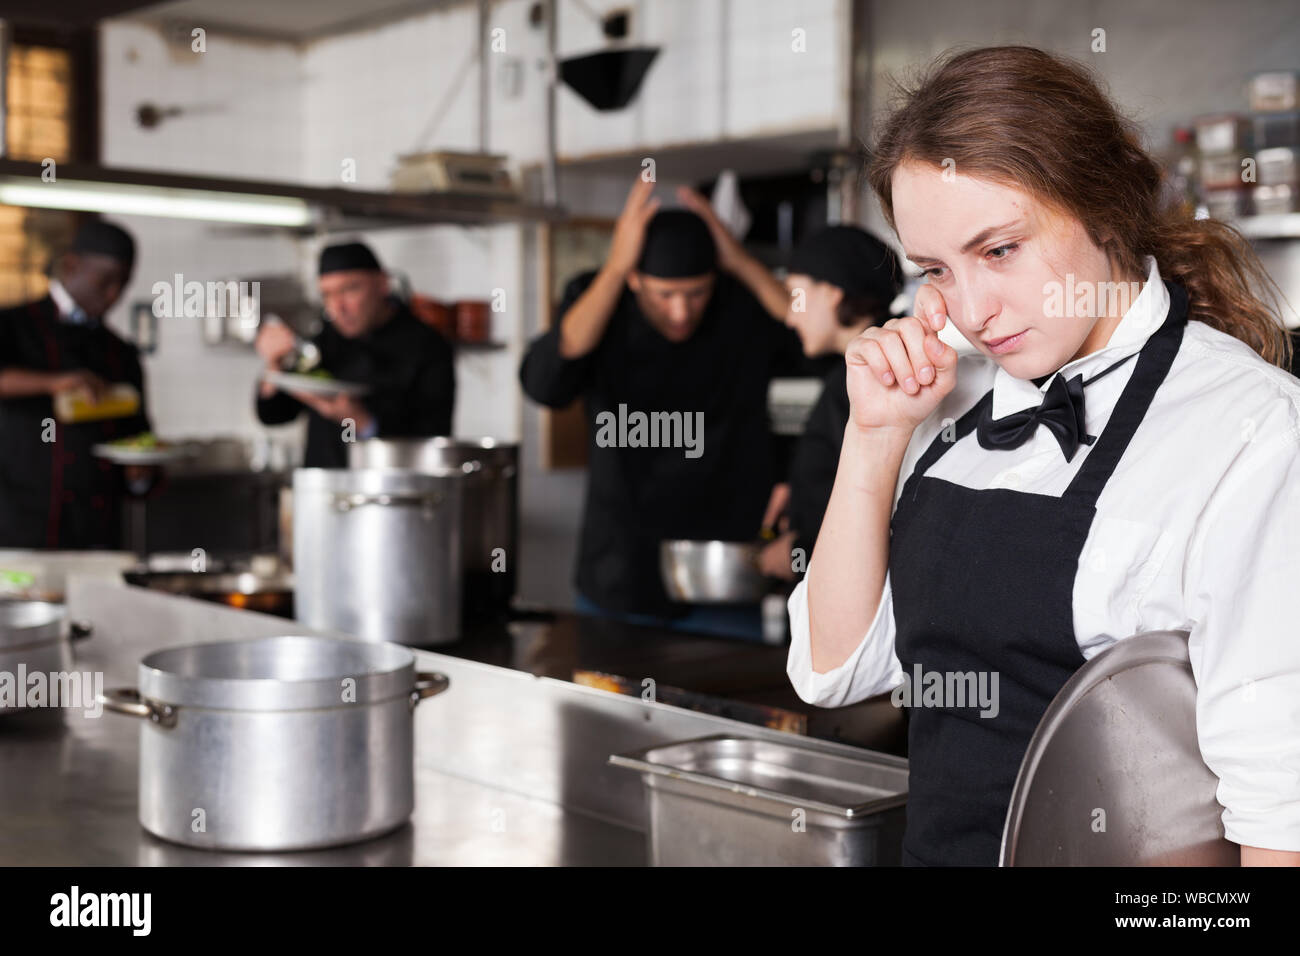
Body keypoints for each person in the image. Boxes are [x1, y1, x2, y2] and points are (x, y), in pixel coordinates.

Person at [788, 46, 1300, 866]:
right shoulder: (945, 405)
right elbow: (833, 671)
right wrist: (875, 435)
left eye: (999, 250)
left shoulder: (1250, 432)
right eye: (937, 271)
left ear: (1103, 206)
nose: (975, 310)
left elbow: (1282, 816)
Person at [519, 177, 803, 639]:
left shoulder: (740, 304)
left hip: (725, 569)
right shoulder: (598, 297)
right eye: (663, 295)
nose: (680, 312)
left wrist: (740, 261)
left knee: (732, 705)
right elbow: (544, 382)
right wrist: (613, 270)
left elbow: (814, 336)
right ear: (634, 279)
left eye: (695, 294)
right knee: (611, 707)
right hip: (620, 565)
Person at [757, 226, 904, 581]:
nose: (790, 316)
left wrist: (798, 552)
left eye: (796, 296)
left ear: (832, 293)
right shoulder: (851, 371)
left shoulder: (874, 376)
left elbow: (879, 506)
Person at [0, 220, 151, 549]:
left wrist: (141, 473)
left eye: (123, 284)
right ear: (72, 265)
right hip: (17, 531)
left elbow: (139, 435)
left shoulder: (121, 353)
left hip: (97, 534)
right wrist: (54, 383)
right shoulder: (12, 325)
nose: (114, 295)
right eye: (105, 281)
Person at [255, 241, 455, 467]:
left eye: (350, 289)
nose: (338, 307)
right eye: (327, 295)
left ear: (382, 284)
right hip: (322, 485)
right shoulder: (326, 339)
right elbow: (273, 414)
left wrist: (362, 422)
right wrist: (274, 363)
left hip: (390, 490)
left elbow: (434, 440)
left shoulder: (428, 345)